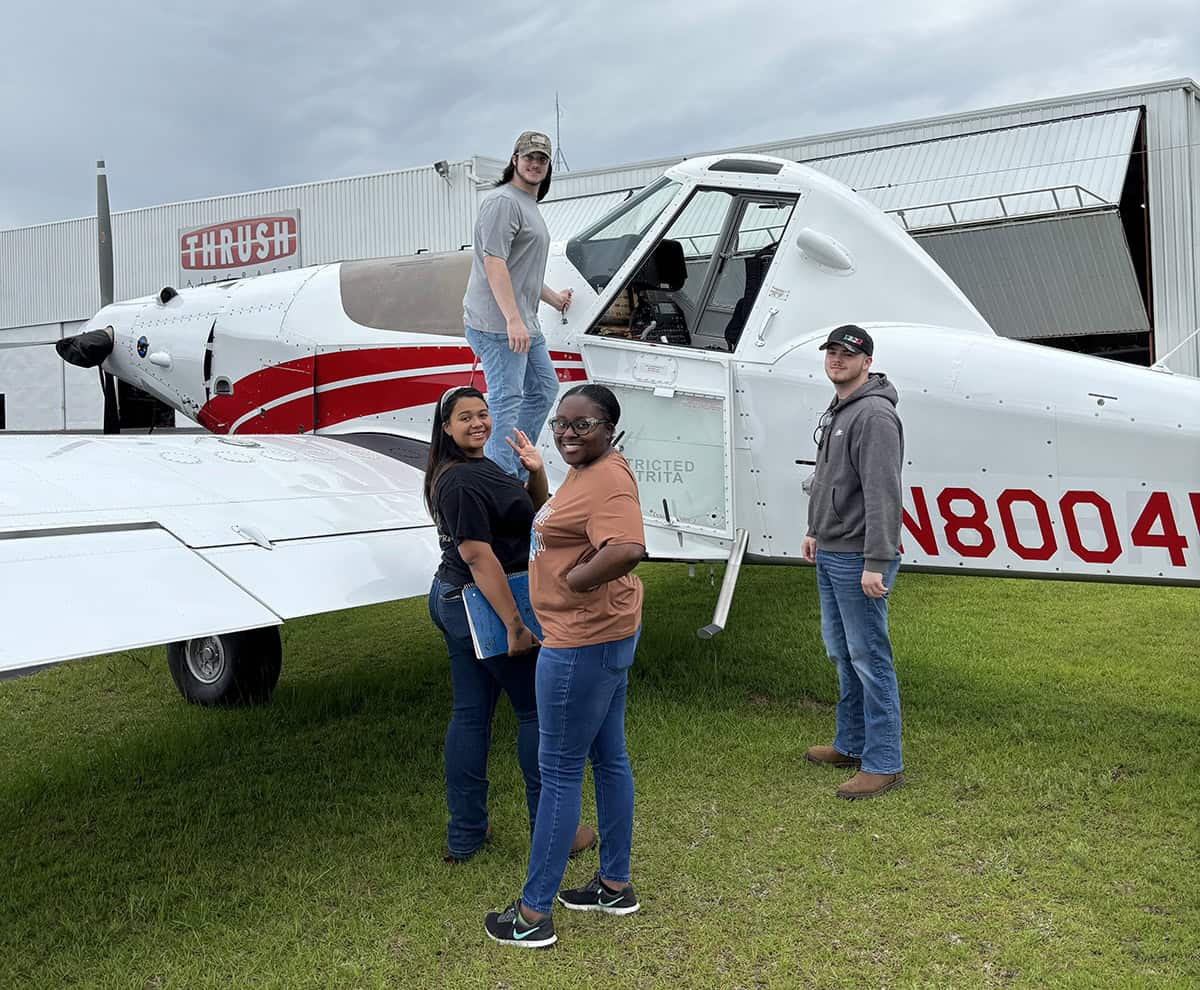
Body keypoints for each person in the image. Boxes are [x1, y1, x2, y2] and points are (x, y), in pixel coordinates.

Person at [484, 384, 646, 949]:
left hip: (581, 643)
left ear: (609, 428)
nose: (567, 433)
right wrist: (538, 477)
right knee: (608, 758)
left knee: (558, 773)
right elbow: (569, 526)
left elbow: (626, 547)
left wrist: (574, 582)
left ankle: (532, 915)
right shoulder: (589, 470)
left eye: (583, 425)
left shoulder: (608, 479)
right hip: (602, 636)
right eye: (561, 423)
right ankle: (614, 885)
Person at [425, 385, 596, 863]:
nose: (478, 423)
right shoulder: (459, 482)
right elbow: (478, 556)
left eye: (482, 414)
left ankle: (466, 835)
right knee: (534, 712)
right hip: (479, 601)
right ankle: (555, 833)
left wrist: (536, 472)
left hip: (462, 600)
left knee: (471, 714)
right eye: (465, 417)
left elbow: (531, 514)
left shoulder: (481, 467)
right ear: (446, 428)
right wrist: (514, 624)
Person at [800, 325, 906, 800]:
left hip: (858, 557)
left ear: (867, 362)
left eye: (848, 353)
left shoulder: (875, 415)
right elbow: (829, 479)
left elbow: (883, 493)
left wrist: (876, 560)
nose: (837, 359)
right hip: (831, 548)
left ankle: (883, 763)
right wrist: (815, 530)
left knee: (869, 658)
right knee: (842, 653)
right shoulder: (842, 408)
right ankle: (851, 743)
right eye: (832, 351)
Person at [462, 130, 574, 478]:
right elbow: (494, 262)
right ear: (515, 160)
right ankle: (499, 479)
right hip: (498, 325)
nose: (535, 164)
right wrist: (512, 319)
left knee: (543, 389)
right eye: (528, 157)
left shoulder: (528, 204)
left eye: (542, 159)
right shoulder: (503, 202)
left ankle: (515, 469)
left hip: (523, 322)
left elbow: (520, 269)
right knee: (506, 399)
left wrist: (554, 299)